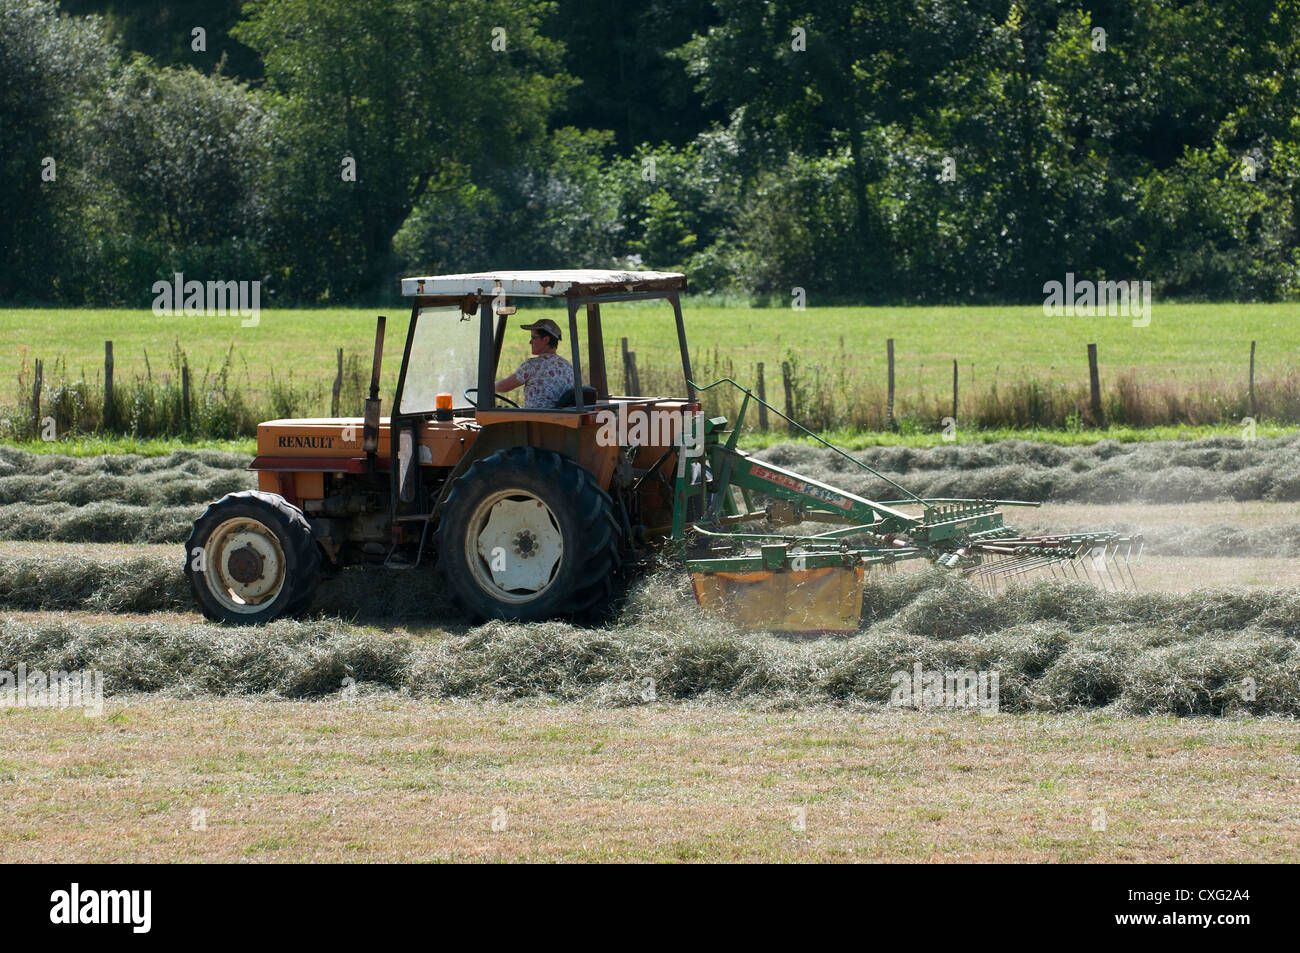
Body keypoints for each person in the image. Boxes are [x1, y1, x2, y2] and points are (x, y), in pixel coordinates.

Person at [494, 318, 574, 408]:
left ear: (546, 339)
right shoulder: (568, 367)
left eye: (533, 337)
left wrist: (486, 387)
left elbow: (503, 386)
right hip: (560, 418)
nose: (530, 342)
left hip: (536, 419)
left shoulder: (532, 365)